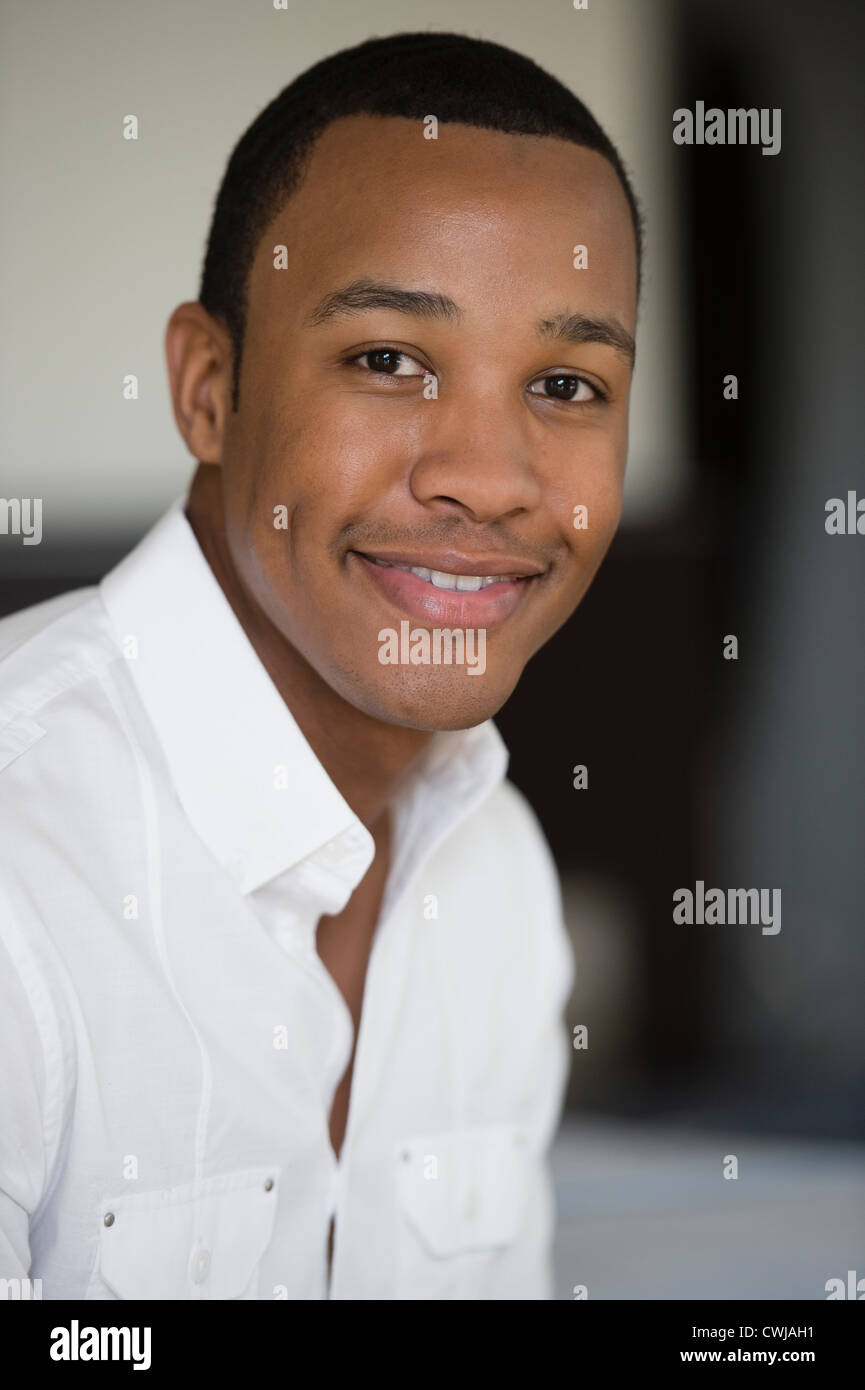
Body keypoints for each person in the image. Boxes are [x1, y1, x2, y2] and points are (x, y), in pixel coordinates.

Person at [0, 30, 639, 1300]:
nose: (491, 478)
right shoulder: (24, 860)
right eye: (388, 360)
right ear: (208, 387)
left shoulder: (498, 871)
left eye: (566, 383)